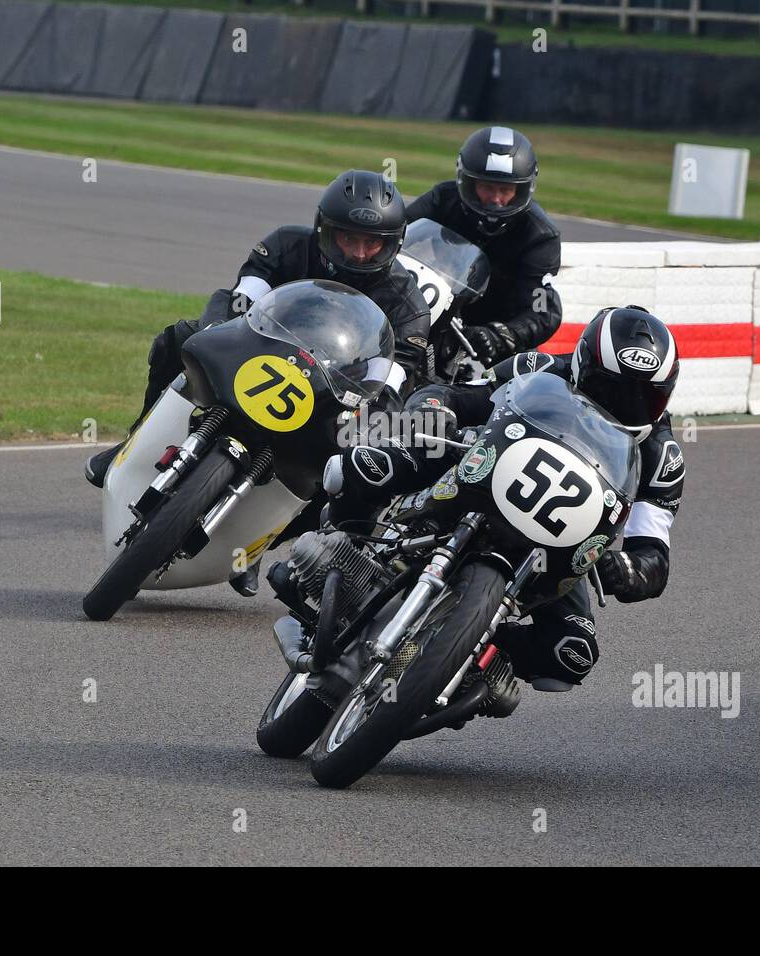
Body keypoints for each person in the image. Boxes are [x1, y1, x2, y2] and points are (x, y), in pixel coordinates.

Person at [323, 306, 684, 693]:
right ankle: (335, 551)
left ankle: (466, 660)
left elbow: (654, 557)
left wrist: (628, 570)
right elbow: (456, 396)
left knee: (570, 653)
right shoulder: (537, 367)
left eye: (643, 397)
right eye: (612, 388)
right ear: (582, 365)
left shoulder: (662, 459)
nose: (623, 405)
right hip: (478, 472)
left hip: (555, 548)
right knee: (359, 467)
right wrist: (436, 411)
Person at [84, 169, 431, 489]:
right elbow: (242, 300)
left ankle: (319, 542)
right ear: (325, 230)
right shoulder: (287, 245)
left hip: (335, 393)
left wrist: (368, 410)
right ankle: (135, 444)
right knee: (179, 337)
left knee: (372, 448)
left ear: (392, 243)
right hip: (264, 351)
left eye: (372, 243)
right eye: (348, 239)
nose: (359, 253)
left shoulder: (409, 304)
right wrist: (216, 330)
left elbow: (391, 379)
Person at [405, 126, 562, 370]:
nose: (496, 199)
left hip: (494, 349)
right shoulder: (442, 200)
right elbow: (394, 233)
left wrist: (502, 335)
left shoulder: (540, 235)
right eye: (488, 187)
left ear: (522, 189)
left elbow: (542, 311)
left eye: (506, 190)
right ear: (467, 181)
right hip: (434, 323)